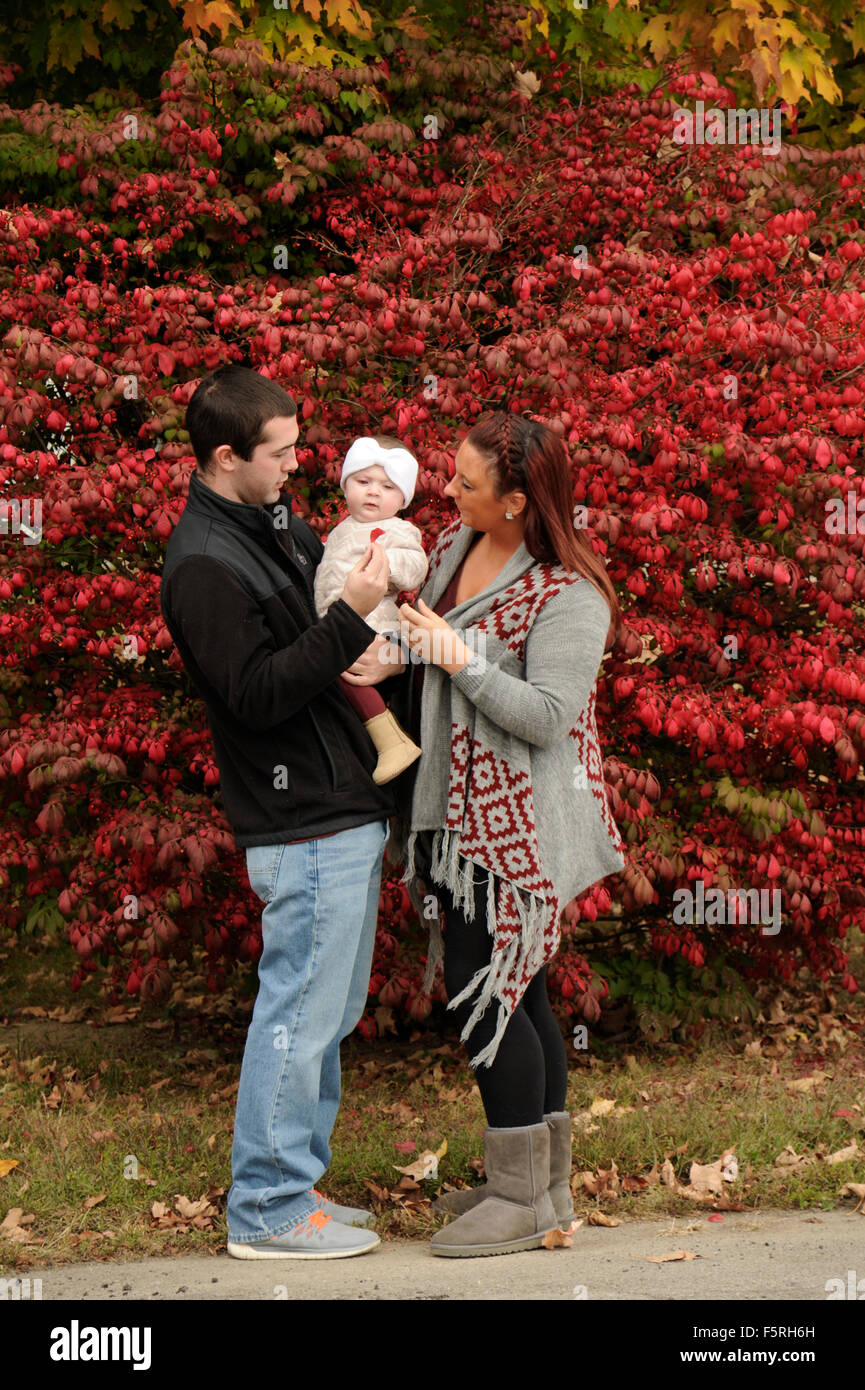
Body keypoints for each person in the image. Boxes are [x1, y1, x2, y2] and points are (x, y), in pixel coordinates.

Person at [159, 364, 406, 1260]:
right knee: (297, 1015)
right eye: (281, 452)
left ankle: (293, 1190)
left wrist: (371, 637)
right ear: (227, 457)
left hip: (342, 803)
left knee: (325, 1016)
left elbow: (323, 638)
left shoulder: (275, 525)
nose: (298, 467)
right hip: (298, 820)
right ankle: (264, 1210)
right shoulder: (201, 564)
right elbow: (257, 694)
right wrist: (352, 618)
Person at [386, 410, 627, 1258]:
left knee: (481, 986)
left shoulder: (570, 596)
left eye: (466, 482)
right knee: (519, 989)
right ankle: (542, 1187)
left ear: (518, 501)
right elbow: (428, 633)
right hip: (457, 814)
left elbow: (548, 716)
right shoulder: (456, 546)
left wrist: (458, 657)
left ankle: (522, 1197)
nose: (448, 489)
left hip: (516, 830)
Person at [313, 434, 428, 784]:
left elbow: (416, 565)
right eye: (363, 482)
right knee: (337, 677)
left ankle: (391, 742)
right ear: (346, 485)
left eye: (388, 487)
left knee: (347, 671)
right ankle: (372, 746)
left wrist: (387, 561)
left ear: (403, 499)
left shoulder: (398, 530)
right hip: (338, 621)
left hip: (374, 624)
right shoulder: (340, 530)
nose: (374, 492)